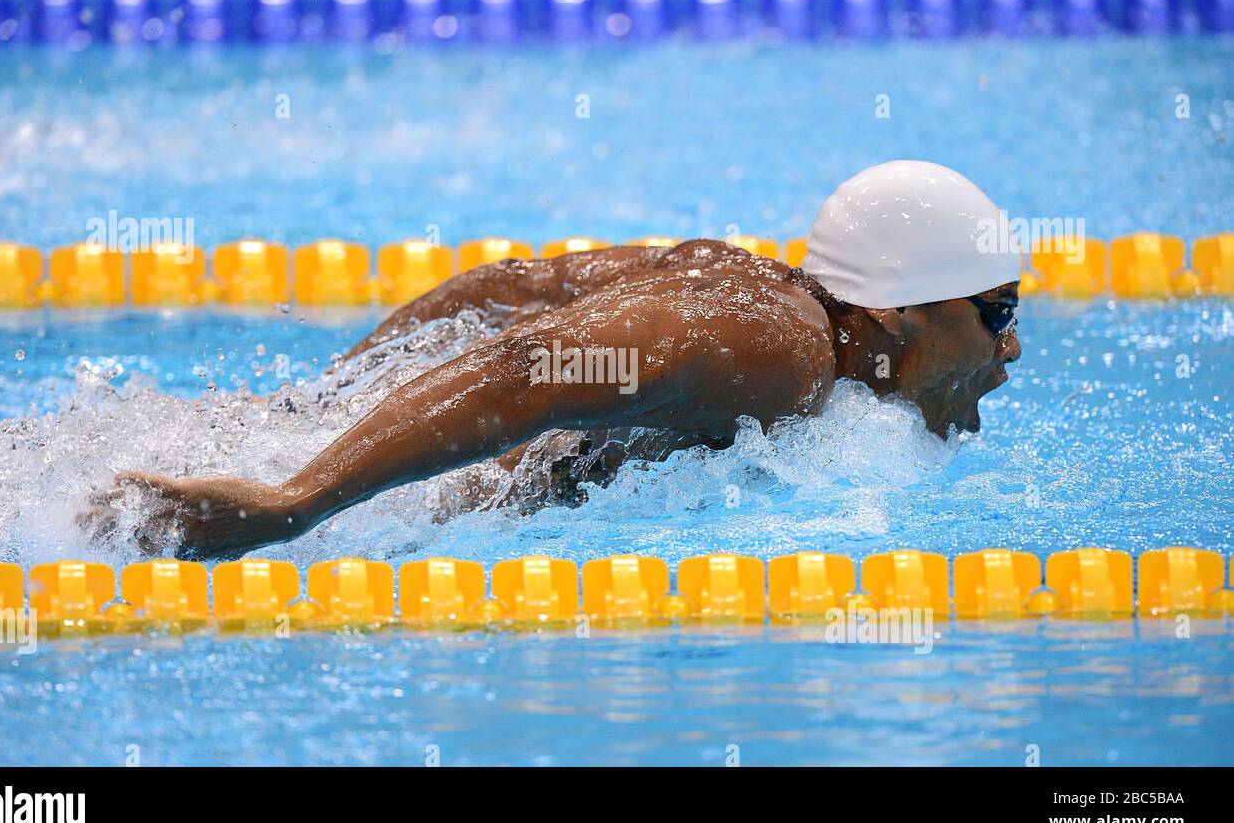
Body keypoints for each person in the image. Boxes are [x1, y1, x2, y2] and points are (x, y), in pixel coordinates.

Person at [82, 160, 1022, 559]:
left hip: (360, 468)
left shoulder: (756, 294)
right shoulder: (779, 350)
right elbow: (535, 356)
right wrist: (295, 501)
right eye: (998, 311)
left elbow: (512, 287)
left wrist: (313, 409)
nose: (1011, 348)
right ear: (895, 313)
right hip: (408, 507)